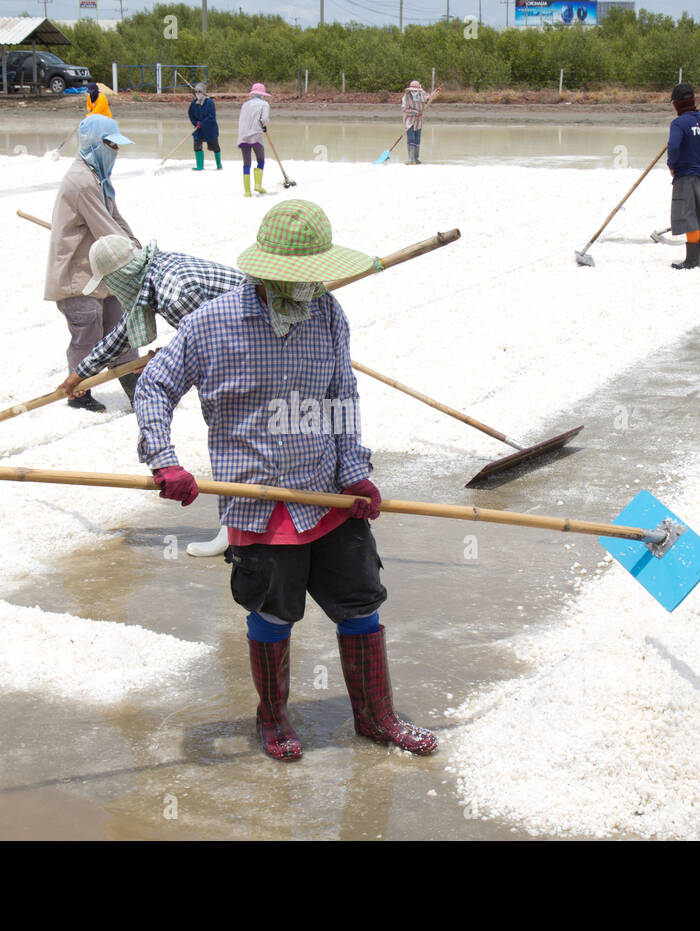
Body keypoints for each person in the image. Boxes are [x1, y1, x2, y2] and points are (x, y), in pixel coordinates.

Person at [133, 199, 437, 762]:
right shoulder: (210, 324)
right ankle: (272, 721)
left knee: (361, 605)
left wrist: (355, 474)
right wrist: (165, 461)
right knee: (272, 614)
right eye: (299, 280)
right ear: (266, 273)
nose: (311, 289)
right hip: (258, 502)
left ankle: (377, 717)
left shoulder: (328, 314)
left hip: (326, 492)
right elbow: (154, 387)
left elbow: (341, 395)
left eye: (315, 278)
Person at [56, 234, 247, 556]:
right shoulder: (153, 274)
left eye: (110, 283)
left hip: (250, 349)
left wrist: (169, 358)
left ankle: (239, 531)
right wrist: (82, 372)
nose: (111, 291)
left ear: (122, 276)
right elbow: (127, 331)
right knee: (234, 438)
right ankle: (238, 527)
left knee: (234, 436)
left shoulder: (174, 291)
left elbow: (216, 342)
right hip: (232, 345)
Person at [44, 115, 142, 412]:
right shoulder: (81, 182)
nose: (115, 151)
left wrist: (136, 245)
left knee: (120, 327)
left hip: (101, 272)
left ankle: (135, 386)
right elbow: (105, 228)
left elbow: (115, 218)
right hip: (77, 275)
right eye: (111, 145)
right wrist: (137, 259)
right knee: (88, 331)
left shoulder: (98, 177)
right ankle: (78, 392)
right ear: (95, 144)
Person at [665, 83, 700, 270]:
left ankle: (692, 260)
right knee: (699, 212)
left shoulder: (678, 123)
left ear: (676, 103)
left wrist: (672, 165)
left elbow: (674, 147)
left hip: (686, 173)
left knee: (688, 214)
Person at [237, 83, 271, 197]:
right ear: (262, 94)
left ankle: (247, 192)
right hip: (256, 134)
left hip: (243, 135)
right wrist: (264, 125)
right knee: (260, 160)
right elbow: (264, 119)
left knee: (246, 164)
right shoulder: (264, 104)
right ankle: (258, 185)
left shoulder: (245, 104)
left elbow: (241, 119)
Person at [188, 82, 221, 172]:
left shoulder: (209, 102)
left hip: (210, 129)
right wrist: (195, 123)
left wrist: (202, 123)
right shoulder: (194, 103)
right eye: (196, 92)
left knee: (215, 146)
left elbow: (211, 116)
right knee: (197, 145)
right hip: (198, 129)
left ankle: (219, 165)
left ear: (203, 92)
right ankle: (199, 166)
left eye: (199, 91)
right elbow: (190, 114)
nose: (197, 94)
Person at [401, 79, 429, 165]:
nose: (414, 92)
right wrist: (414, 112)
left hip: (419, 122)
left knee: (417, 140)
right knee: (411, 139)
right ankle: (410, 159)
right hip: (409, 121)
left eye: (416, 90)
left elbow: (427, 99)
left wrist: (430, 98)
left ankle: (416, 159)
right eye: (412, 90)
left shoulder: (422, 94)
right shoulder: (406, 96)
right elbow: (404, 109)